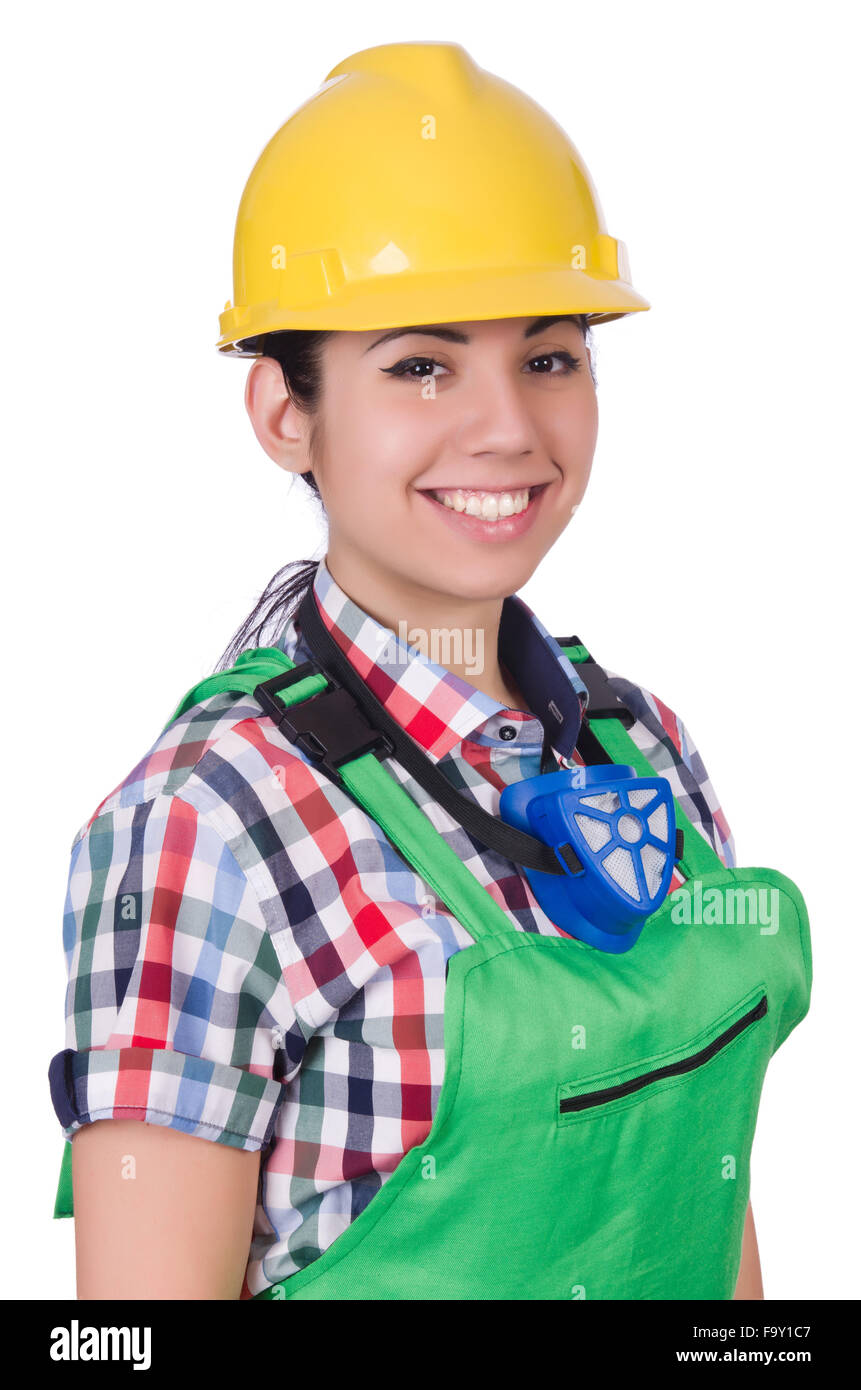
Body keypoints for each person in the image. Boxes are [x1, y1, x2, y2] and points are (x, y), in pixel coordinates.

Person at [48, 40, 810, 1301]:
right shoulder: (205, 827)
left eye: (550, 356)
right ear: (285, 411)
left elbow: (705, 1203)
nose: (509, 426)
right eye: (420, 364)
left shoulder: (648, 750)